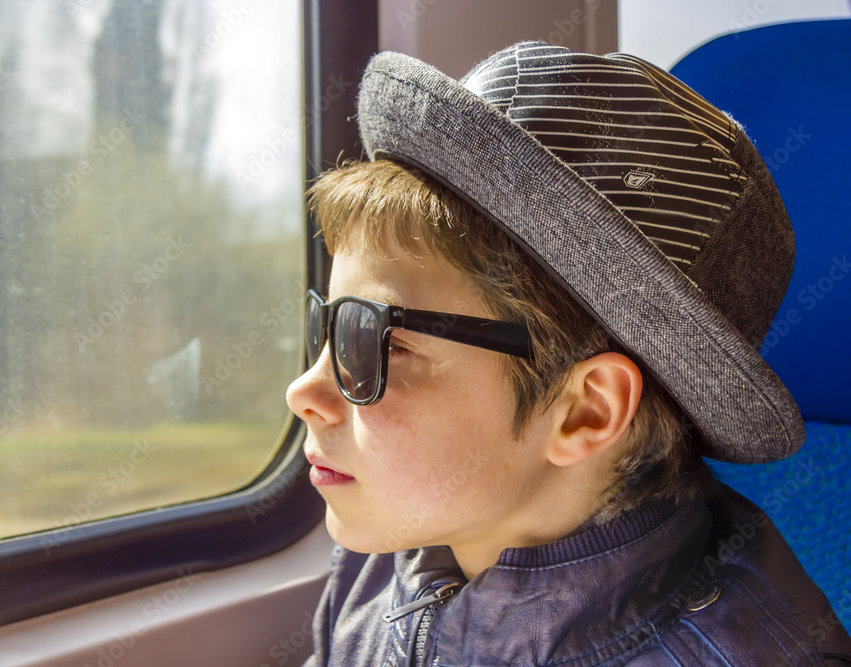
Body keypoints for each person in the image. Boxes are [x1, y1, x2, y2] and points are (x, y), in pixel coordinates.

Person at [286, 41, 851, 666]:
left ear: (586, 409)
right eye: (327, 329)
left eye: (374, 341)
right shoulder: (385, 563)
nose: (303, 391)